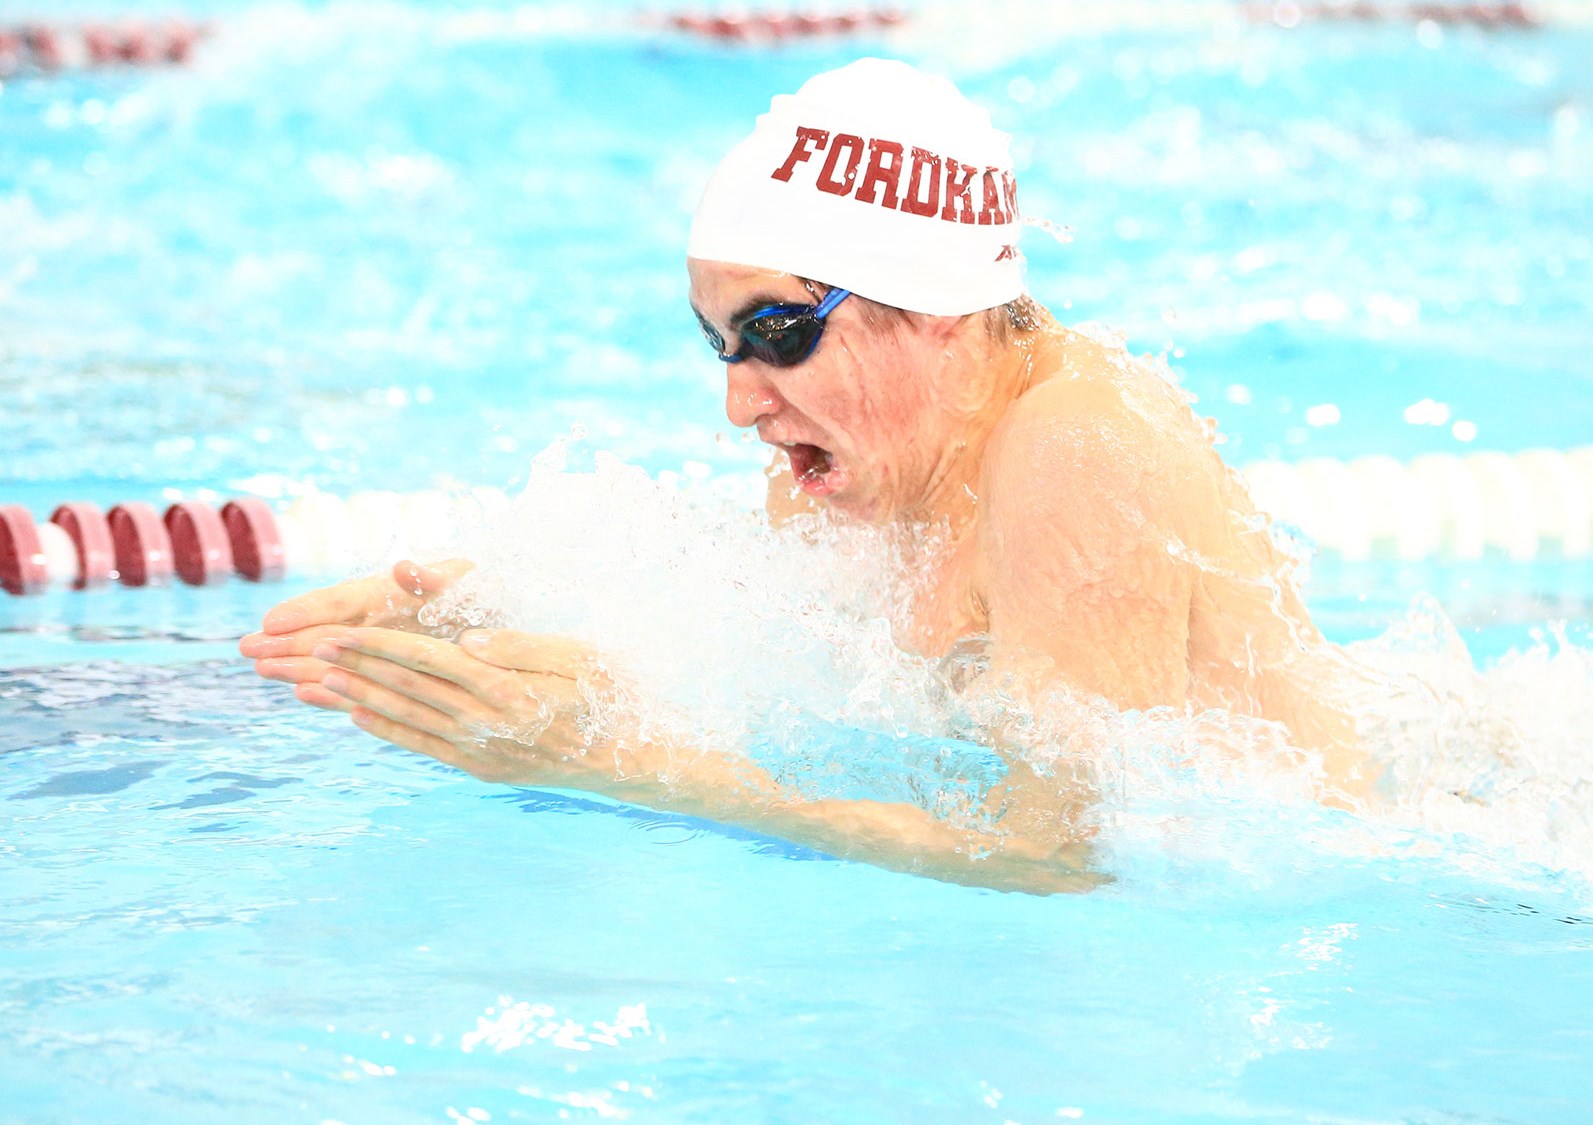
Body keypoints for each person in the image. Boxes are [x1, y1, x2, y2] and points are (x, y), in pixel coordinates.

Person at [238, 59, 1367, 893]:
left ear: (931, 309)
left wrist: (631, 766)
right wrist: (470, 620)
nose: (740, 401)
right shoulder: (851, 463)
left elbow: (1066, 857)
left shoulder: (1076, 448)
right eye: (717, 342)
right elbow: (757, 648)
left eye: (777, 333)